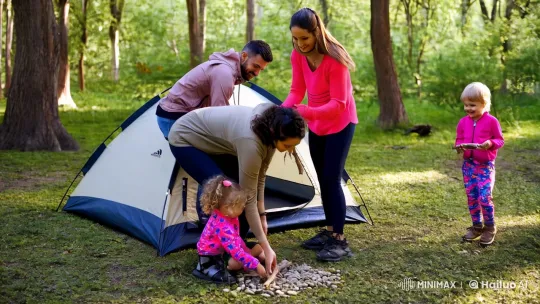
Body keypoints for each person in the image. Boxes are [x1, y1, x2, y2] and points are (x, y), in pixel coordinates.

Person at [168, 103, 306, 277]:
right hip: (185, 138)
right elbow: (248, 201)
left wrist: (263, 216)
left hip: (218, 142)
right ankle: (207, 261)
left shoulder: (272, 127)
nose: (290, 150)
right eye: (287, 146)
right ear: (275, 134)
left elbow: (260, 176)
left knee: (238, 194)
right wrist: (266, 246)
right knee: (226, 194)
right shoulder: (252, 141)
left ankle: (233, 245)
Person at [281, 7, 358, 262]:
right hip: (317, 125)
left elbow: (339, 104)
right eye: (296, 38)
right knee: (322, 180)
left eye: (305, 38)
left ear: (317, 33)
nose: (300, 44)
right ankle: (328, 231)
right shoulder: (297, 56)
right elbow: (296, 90)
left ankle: (339, 240)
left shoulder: (335, 60)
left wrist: (305, 112)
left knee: (331, 178)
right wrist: (279, 112)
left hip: (340, 124)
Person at [156, 40, 273, 138]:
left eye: (261, 69)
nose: (257, 73)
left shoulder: (230, 70)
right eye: (255, 66)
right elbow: (218, 116)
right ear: (244, 56)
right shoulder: (224, 74)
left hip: (181, 114)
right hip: (173, 116)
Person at [455, 82, 504, 246]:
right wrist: (459, 147)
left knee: (484, 197)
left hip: (485, 165)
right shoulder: (463, 122)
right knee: (472, 197)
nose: (468, 108)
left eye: (472, 105)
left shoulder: (491, 121)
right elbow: (459, 139)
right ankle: (477, 226)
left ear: (484, 104)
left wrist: (490, 143)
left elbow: (500, 140)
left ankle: (489, 227)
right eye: (466, 105)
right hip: (468, 165)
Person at [193, 175, 267, 284]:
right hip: (210, 255)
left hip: (226, 247)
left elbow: (236, 238)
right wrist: (256, 265)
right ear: (228, 208)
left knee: (258, 248)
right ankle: (204, 267)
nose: (243, 208)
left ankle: (248, 257)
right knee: (234, 263)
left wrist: (245, 250)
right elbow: (235, 251)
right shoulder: (222, 226)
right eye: (241, 206)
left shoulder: (230, 216)